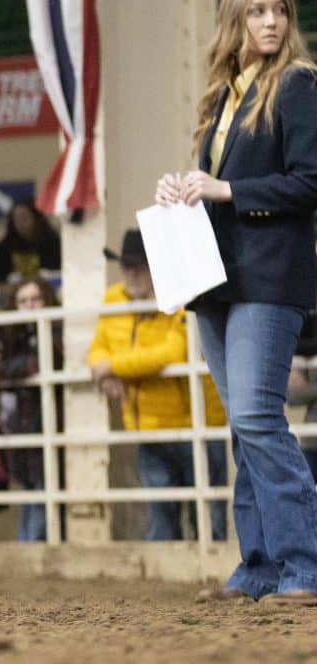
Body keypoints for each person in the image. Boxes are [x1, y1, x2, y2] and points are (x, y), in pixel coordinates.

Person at [158, 0, 317, 606]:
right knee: (242, 426)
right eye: (257, 12)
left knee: (255, 416)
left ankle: (304, 565)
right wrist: (184, 187)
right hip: (218, 277)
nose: (272, 22)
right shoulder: (224, 95)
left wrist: (227, 190)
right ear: (235, 22)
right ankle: (257, 567)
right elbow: (215, 183)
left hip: (269, 275)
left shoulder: (299, 85)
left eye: (278, 10)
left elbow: (310, 181)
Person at [84, 231, 226, 543]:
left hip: (196, 424)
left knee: (208, 514)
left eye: (138, 266)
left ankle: (215, 573)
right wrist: (106, 372)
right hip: (148, 424)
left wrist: (113, 367)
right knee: (161, 513)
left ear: (155, 267)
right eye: (126, 267)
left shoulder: (180, 297)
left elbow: (173, 351)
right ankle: (168, 586)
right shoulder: (113, 299)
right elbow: (98, 349)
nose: (130, 274)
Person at [0, 276, 66, 542]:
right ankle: (27, 550)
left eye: (35, 299)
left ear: (47, 301)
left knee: (42, 498)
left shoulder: (57, 331)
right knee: (31, 496)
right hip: (19, 435)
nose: (29, 306)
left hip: (48, 426)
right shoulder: (9, 335)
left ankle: (31, 550)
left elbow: (38, 364)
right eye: (23, 301)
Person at [0, 201, 62, 289]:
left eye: (25, 218)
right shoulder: (5, 245)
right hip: (15, 293)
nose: (21, 224)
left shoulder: (52, 242)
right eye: (16, 220)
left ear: (36, 218)